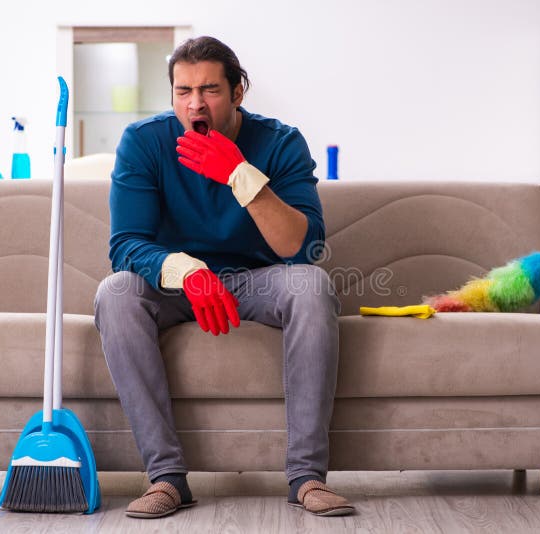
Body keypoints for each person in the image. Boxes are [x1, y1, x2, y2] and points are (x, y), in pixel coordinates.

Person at [94, 35, 354, 518]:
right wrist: (187, 270)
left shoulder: (279, 143)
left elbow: (302, 247)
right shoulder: (145, 143)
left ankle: (307, 477)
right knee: (116, 293)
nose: (195, 103)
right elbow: (125, 244)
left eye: (210, 90)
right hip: (178, 285)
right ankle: (166, 479)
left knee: (311, 287)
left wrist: (240, 175)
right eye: (183, 91)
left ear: (238, 93)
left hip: (259, 280)